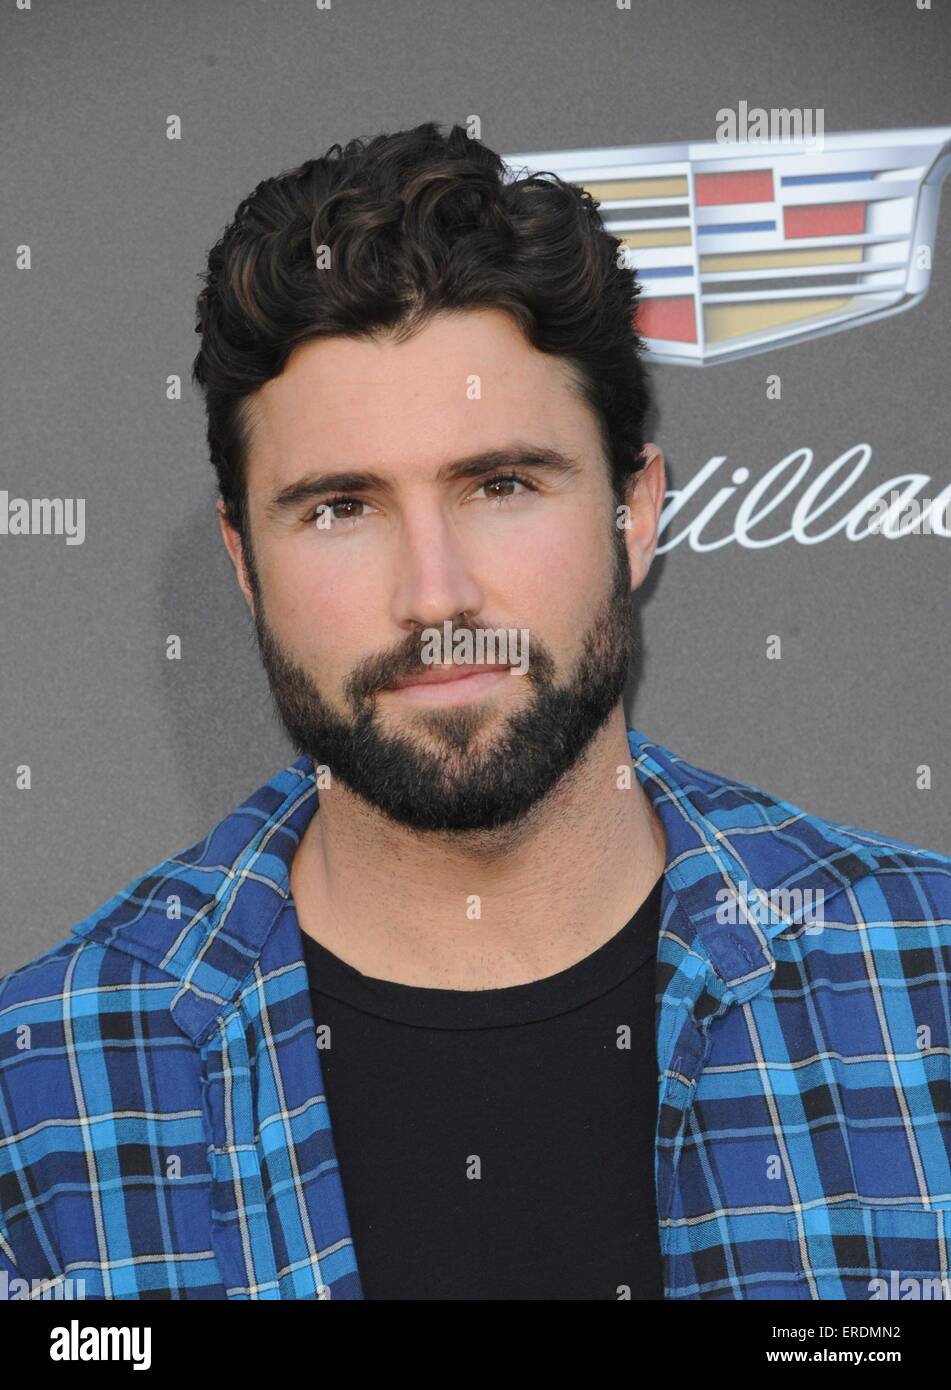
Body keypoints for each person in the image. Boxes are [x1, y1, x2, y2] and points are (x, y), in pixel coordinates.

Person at [1, 122, 949, 1303]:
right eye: (341, 507)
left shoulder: (927, 984)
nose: (435, 593)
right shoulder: (45, 1087)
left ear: (635, 511)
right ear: (245, 566)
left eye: (501, 485)